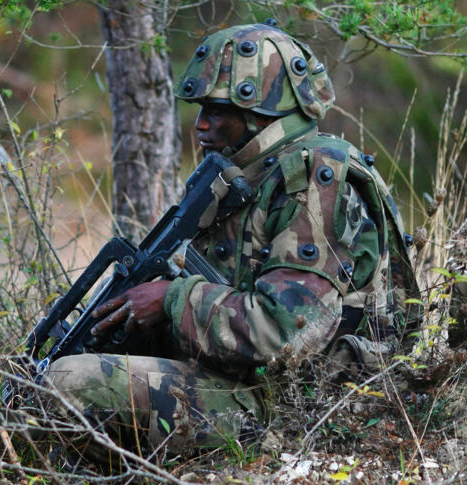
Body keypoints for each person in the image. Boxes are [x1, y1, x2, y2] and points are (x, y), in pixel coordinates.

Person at [42, 21, 420, 459]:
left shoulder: (314, 181)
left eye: (217, 111)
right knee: (51, 374)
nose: (200, 124)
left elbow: (283, 336)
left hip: (296, 408)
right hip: (242, 381)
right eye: (202, 109)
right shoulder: (246, 177)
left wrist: (171, 299)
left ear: (261, 115)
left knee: (67, 384)